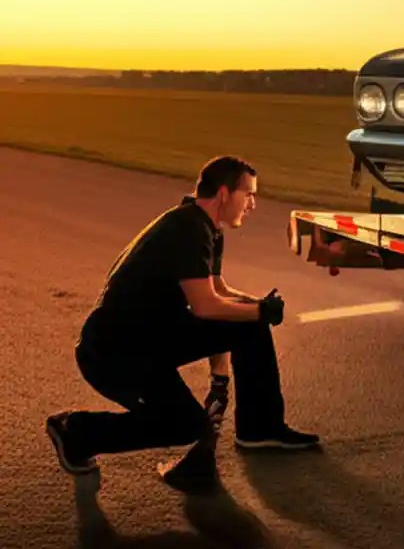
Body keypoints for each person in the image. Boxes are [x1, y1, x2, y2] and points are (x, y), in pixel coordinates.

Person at [46, 155, 319, 489]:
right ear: (223, 194)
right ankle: (74, 431)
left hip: (151, 338)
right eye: (248, 194)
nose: (252, 204)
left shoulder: (206, 227)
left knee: (250, 323)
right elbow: (205, 306)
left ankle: (260, 429)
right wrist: (260, 312)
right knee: (185, 424)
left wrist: (256, 311)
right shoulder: (188, 229)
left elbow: (218, 293)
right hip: (114, 353)